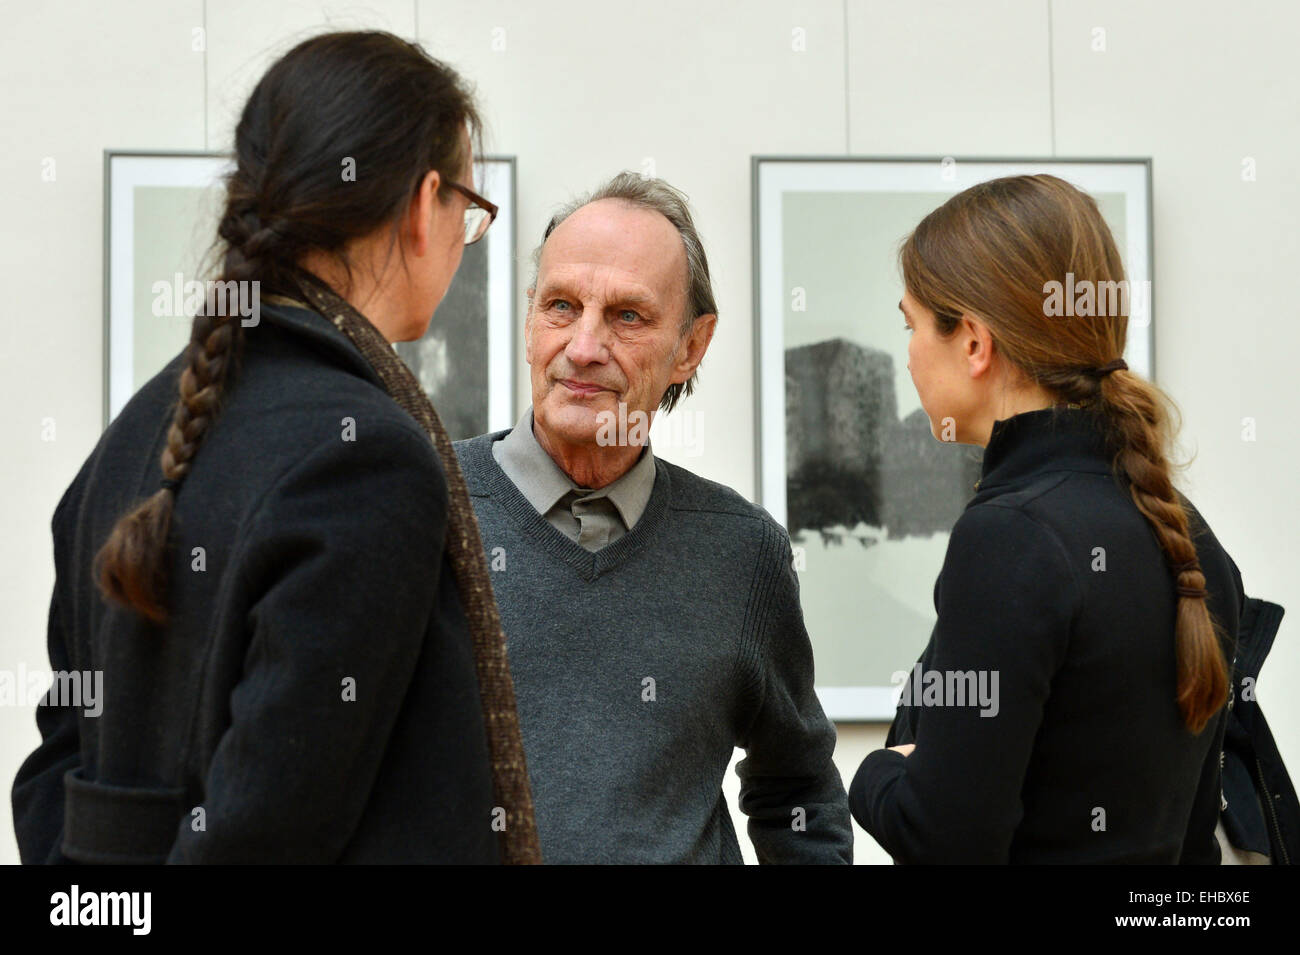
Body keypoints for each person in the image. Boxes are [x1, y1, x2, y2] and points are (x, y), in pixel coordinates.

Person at [11, 31, 539, 864]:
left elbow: (55, 773)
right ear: (420, 203)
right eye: (465, 213)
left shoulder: (128, 440)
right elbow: (264, 832)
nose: (460, 239)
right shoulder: (366, 460)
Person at [453, 172, 853, 864]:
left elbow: (799, 790)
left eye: (627, 316)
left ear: (691, 346)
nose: (583, 346)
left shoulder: (743, 552)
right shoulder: (427, 505)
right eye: (560, 306)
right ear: (527, 320)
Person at [849, 174, 1242, 864]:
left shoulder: (1011, 536)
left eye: (911, 324)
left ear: (973, 342)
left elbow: (946, 839)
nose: (908, 350)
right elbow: (1193, 844)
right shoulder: (1191, 537)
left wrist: (877, 772)